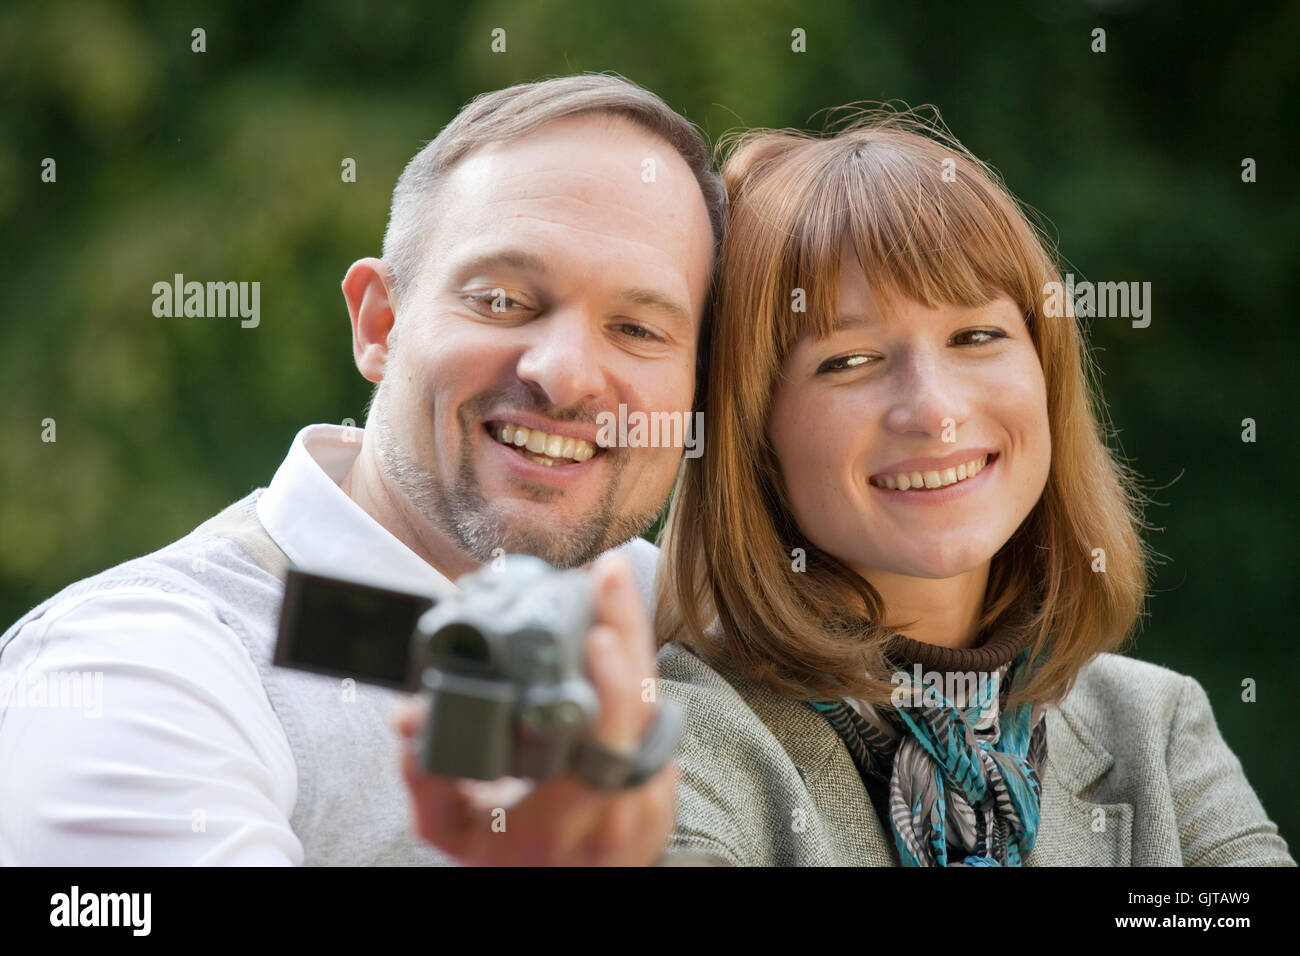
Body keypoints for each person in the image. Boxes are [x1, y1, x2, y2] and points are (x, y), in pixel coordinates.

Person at [0, 73, 725, 866]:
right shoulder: (138, 669)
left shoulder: (694, 620)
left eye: (638, 329)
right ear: (379, 324)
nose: (564, 373)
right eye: (501, 300)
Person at [652, 108, 1295, 866]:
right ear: (751, 434)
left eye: (976, 337)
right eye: (849, 360)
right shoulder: (674, 735)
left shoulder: (1154, 725)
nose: (935, 410)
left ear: (1046, 371)